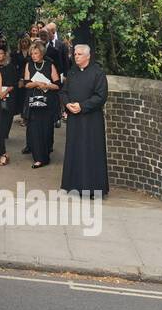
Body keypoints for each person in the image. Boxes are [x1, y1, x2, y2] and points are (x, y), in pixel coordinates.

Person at [59, 45, 110, 195]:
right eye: (75, 54)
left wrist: (82, 106)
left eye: (79, 54)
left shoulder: (98, 73)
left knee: (91, 151)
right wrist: (67, 104)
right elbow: (63, 92)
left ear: (88, 56)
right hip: (75, 119)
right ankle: (73, 185)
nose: (76, 56)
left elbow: (101, 96)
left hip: (91, 120)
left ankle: (94, 189)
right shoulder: (72, 72)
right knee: (74, 150)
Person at [22, 39, 61, 167]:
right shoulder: (29, 65)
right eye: (32, 53)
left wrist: (47, 85)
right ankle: (38, 158)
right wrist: (37, 83)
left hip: (48, 102)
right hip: (34, 101)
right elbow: (26, 83)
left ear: (42, 53)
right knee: (34, 129)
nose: (33, 56)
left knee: (46, 129)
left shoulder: (50, 65)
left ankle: (46, 154)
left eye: (36, 53)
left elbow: (57, 85)